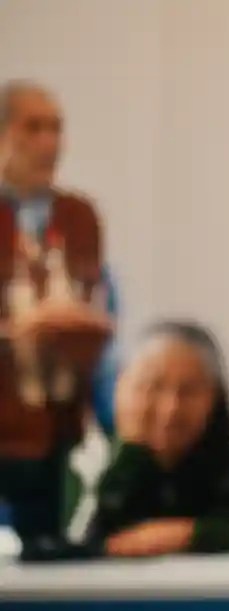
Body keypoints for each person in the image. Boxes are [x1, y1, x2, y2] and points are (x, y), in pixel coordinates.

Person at [0, 79, 114, 561]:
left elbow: (99, 299)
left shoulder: (79, 215)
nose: (49, 142)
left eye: (56, 128)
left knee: (53, 554)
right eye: (34, 127)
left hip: (60, 419)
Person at [84, 321, 229, 557]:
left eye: (188, 391)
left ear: (215, 398)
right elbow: (86, 538)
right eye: (152, 387)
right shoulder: (85, 452)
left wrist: (191, 535)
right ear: (120, 387)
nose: (170, 409)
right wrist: (132, 453)